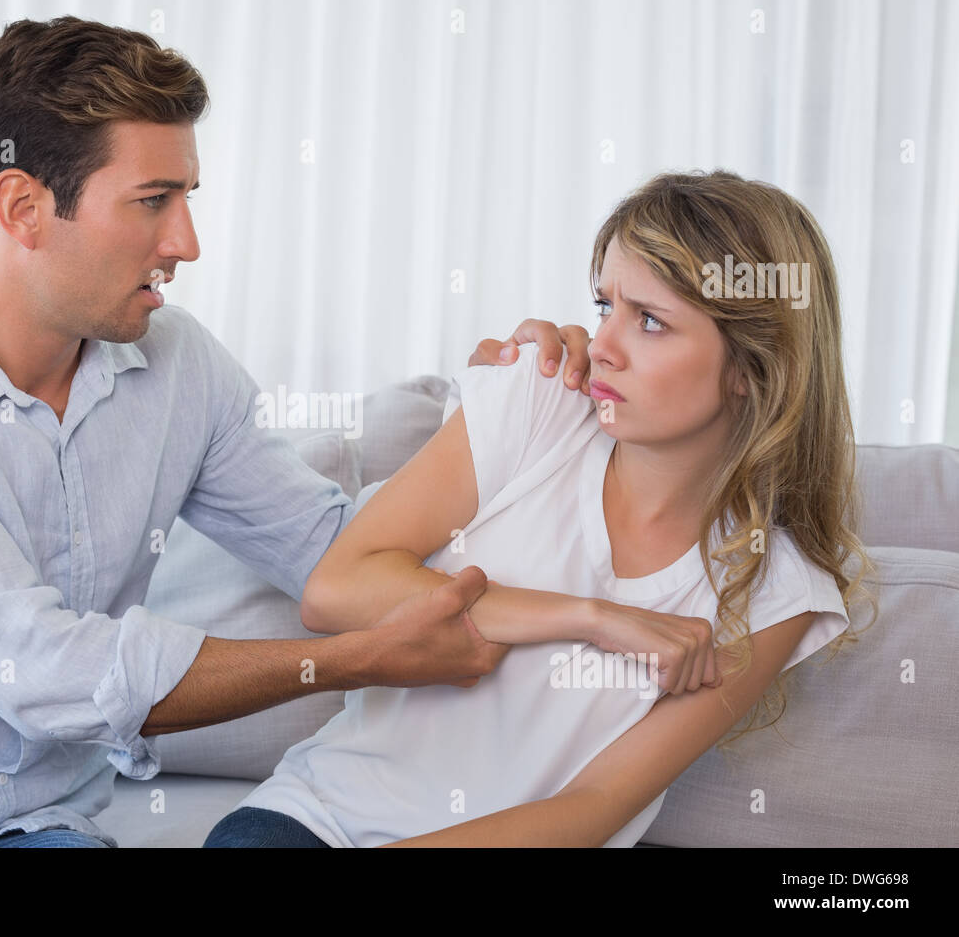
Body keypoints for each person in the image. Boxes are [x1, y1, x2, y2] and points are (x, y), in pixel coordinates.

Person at [0, 17, 600, 849]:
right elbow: (41, 666)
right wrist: (352, 662)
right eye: (153, 200)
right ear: (22, 208)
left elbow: (332, 555)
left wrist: (499, 412)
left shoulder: (178, 366)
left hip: (28, 824)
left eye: (188, 196)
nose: (187, 241)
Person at [205, 169, 880, 848]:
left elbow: (595, 804)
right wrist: (592, 618)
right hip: (312, 824)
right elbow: (334, 590)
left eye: (649, 320)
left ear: (751, 368)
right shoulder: (538, 400)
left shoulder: (774, 590)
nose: (606, 347)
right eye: (605, 306)